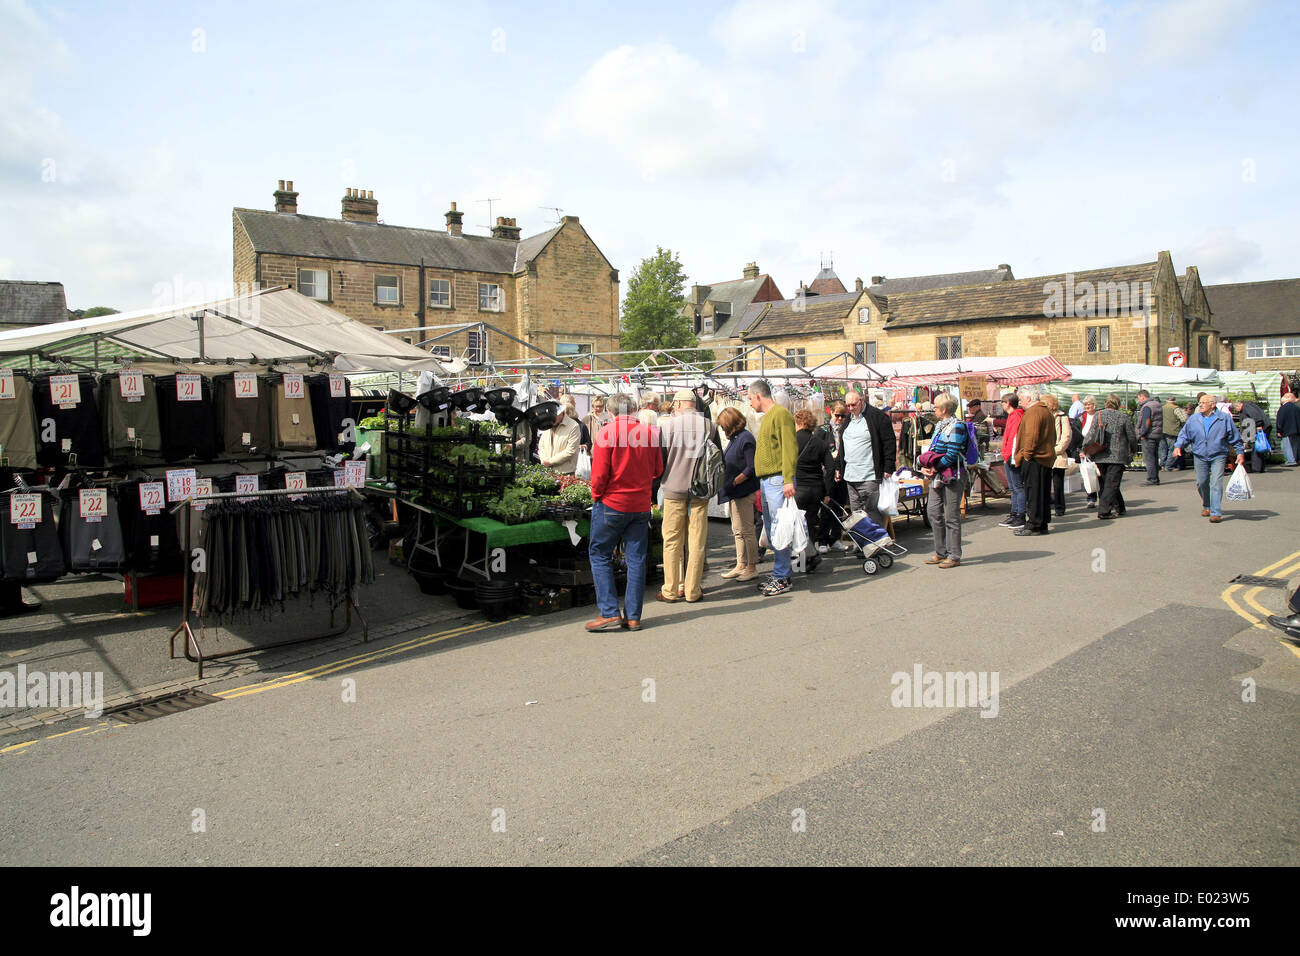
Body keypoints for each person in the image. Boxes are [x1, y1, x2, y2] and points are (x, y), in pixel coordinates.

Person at [585, 394, 663, 632]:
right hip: (639, 504)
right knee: (637, 559)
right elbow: (658, 469)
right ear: (634, 410)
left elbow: (598, 475)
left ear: (611, 412)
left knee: (599, 553)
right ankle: (633, 616)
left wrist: (597, 495)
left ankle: (609, 612)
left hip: (612, 503)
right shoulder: (650, 433)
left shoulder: (606, 433)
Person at [657, 389, 712, 604]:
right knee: (696, 542)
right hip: (700, 491)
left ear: (679, 404)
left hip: (673, 489)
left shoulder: (667, 426)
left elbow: (660, 461)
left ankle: (671, 589)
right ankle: (692, 590)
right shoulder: (709, 425)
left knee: (672, 541)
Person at [749, 380, 798, 596]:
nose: (750, 403)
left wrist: (788, 478)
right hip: (770, 480)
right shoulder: (770, 416)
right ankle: (781, 573)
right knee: (773, 530)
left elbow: (789, 447)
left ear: (758, 396)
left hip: (778, 479)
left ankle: (782, 576)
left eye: (750, 398)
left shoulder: (780, 414)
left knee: (780, 531)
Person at [1173, 394, 1245, 522]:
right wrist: (1178, 446)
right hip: (1200, 455)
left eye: (1203, 403)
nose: (1200, 405)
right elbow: (1184, 434)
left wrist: (1240, 452)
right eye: (1199, 402)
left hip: (1218, 454)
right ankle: (1207, 504)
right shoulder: (1193, 419)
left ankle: (1216, 512)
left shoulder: (1224, 418)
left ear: (1212, 405)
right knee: (1202, 482)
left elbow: (1234, 436)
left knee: (1216, 483)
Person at [839, 388, 898, 539]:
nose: (851, 408)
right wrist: (840, 468)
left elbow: (889, 442)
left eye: (854, 405)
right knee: (857, 514)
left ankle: (876, 545)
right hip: (851, 476)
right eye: (848, 406)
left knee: (872, 512)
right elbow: (843, 447)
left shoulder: (877, 417)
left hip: (870, 474)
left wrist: (888, 467)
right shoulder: (848, 419)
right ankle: (862, 544)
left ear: (862, 401)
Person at [920, 393, 966, 568]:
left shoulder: (957, 426)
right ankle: (940, 552)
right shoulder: (939, 425)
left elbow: (952, 454)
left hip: (953, 475)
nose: (934, 410)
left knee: (951, 516)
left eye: (936, 407)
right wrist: (924, 465)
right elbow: (932, 450)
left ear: (944, 409)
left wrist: (934, 467)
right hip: (938, 475)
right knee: (933, 512)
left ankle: (954, 555)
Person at [716, 406, 759, 582]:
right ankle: (741, 563)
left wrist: (736, 481)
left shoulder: (745, 438)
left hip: (743, 490)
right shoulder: (736, 438)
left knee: (747, 530)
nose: (722, 429)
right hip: (735, 491)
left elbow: (751, 466)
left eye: (723, 425)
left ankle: (751, 566)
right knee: (737, 530)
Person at [1012, 390, 1057, 535]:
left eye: (1021, 399)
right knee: (1042, 493)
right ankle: (1041, 523)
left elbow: (1031, 436)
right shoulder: (1045, 411)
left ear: (1028, 398)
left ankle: (1033, 525)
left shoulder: (1034, 412)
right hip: (1043, 458)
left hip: (1035, 459)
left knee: (1034, 493)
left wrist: (1026, 455)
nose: (1019, 402)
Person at [793, 409, 832, 573]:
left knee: (798, 527)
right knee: (809, 523)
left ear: (800, 422)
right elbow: (830, 468)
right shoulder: (820, 443)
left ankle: (804, 560)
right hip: (816, 488)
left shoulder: (792, 441)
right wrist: (827, 491)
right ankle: (810, 556)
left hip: (799, 488)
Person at [1089, 393, 1137, 520]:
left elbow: (1091, 433)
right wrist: (1133, 450)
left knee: (1107, 482)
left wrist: (1085, 449)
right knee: (1112, 483)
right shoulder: (1123, 416)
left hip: (1100, 453)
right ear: (1118, 404)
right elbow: (1131, 436)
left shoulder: (1098, 415)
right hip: (1118, 455)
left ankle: (1120, 507)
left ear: (1106, 403)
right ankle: (1104, 511)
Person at [818, 402, 851, 552]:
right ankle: (823, 540)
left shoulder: (847, 429)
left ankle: (836, 537)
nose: (840, 419)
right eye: (837, 415)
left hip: (843, 472)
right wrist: (828, 457)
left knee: (840, 505)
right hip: (828, 474)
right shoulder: (823, 430)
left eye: (843, 416)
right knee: (827, 506)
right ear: (831, 413)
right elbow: (816, 450)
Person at [997, 392, 1026, 529]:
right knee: (1014, 487)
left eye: (1003, 403)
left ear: (1007, 403)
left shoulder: (1016, 416)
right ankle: (1014, 513)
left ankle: (1020, 514)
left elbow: (1014, 437)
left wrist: (1010, 456)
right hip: (1008, 455)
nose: (1002, 405)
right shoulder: (1013, 416)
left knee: (1017, 487)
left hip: (1012, 456)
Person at [1044, 394, 1071, 516]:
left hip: (1058, 454)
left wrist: (1057, 449)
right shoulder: (1044, 415)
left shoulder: (1062, 416)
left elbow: (1066, 436)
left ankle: (1060, 507)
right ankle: (1047, 505)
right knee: (1045, 483)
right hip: (1045, 454)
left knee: (1058, 483)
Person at [538, 403, 581, 474]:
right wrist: (544, 459)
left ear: (561, 412)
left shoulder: (573, 426)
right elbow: (541, 445)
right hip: (547, 471)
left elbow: (571, 450)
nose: (552, 418)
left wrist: (550, 461)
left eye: (554, 416)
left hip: (565, 472)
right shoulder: (548, 423)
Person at [1232, 399, 1269, 474]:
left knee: (1257, 448)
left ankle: (1256, 468)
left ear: (1238, 406)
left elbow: (1255, 415)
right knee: (1259, 448)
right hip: (1263, 426)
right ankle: (1260, 467)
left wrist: (1259, 425)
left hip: (1260, 428)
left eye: (1236, 409)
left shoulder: (1247, 407)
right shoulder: (1248, 405)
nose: (1238, 411)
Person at [1136, 390, 1164, 485]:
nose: (1138, 400)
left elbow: (1146, 422)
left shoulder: (1147, 406)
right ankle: (1156, 477)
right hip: (1157, 434)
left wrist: (1141, 434)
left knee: (1149, 458)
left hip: (1149, 435)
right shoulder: (1157, 404)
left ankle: (1152, 479)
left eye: (1138, 398)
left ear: (1142, 397)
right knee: (1154, 456)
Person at [1078, 395, 1100, 509]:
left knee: (1098, 474)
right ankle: (1091, 498)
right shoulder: (1082, 417)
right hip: (1085, 450)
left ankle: (1102, 497)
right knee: (1088, 474)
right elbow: (1079, 435)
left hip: (1097, 449)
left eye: (1089, 404)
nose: (1087, 406)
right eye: (1085, 404)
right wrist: (1081, 450)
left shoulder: (1099, 416)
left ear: (1094, 405)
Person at [1161, 396, 1187, 471]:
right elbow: (1184, 419)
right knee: (1172, 449)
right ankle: (1169, 466)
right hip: (1173, 431)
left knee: (1163, 449)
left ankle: (1162, 465)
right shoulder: (1176, 408)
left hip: (1162, 430)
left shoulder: (1162, 408)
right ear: (1174, 401)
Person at [1277, 392, 1300, 466]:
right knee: (1295, 446)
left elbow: (1280, 420)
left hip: (1286, 430)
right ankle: (1296, 459)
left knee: (1287, 446)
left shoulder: (1282, 408)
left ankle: (1290, 461)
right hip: (1297, 430)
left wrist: (1279, 430)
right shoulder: (1296, 408)